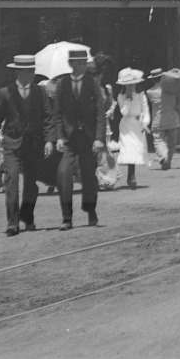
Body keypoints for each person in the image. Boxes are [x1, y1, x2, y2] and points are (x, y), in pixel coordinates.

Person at [45, 48, 107, 229]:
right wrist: (59, 137)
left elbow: (100, 114)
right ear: (70, 64)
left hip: (88, 140)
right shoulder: (62, 84)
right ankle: (67, 218)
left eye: (83, 63)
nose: (80, 66)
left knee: (88, 176)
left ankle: (91, 210)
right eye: (76, 63)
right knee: (63, 173)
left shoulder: (92, 83)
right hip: (69, 139)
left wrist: (98, 138)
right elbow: (57, 114)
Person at [0, 54, 46, 235]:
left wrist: (50, 141)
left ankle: (27, 218)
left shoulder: (40, 92)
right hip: (11, 143)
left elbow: (47, 118)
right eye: (27, 71)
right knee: (12, 179)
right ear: (17, 72)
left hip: (33, 144)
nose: (30, 74)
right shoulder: (5, 93)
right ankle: (12, 222)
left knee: (31, 184)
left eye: (32, 70)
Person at [112, 68, 150, 189]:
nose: (131, 87)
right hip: (126, 125)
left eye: (132, 85)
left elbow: (145, 109)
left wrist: (145, 122)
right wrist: (127, 99)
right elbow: (124, 112)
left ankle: (132, 174)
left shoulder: (141, 95)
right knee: (129, 149)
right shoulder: (120, 96)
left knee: (137, 149)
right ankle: (131, 176)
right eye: (128, 85)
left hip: (137, 124)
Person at [147, 68, 180, 170]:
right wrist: (178, 107)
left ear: (152, 80)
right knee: (172, 143)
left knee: (158, 140)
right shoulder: (172, 91)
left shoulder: (150, 92)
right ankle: (168, 161)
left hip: (158, 120)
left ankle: (163, 157)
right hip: (172, 119)